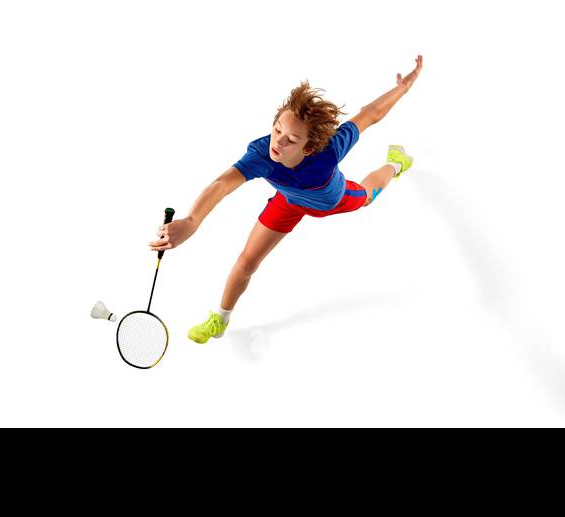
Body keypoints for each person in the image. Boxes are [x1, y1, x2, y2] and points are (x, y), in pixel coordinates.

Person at [147, 55, 424, 344]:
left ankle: (396, 164)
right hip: (289, 202)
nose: (278, 142)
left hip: (331, 200)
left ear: (309, 147)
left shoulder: (328, 151)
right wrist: (192, 221)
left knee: (366, 196)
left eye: (291, 139)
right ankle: (220, 319)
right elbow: (222, 184)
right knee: (247, 262)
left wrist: (403, 87)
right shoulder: (262, 155)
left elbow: (370, 114)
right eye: (277, 129)